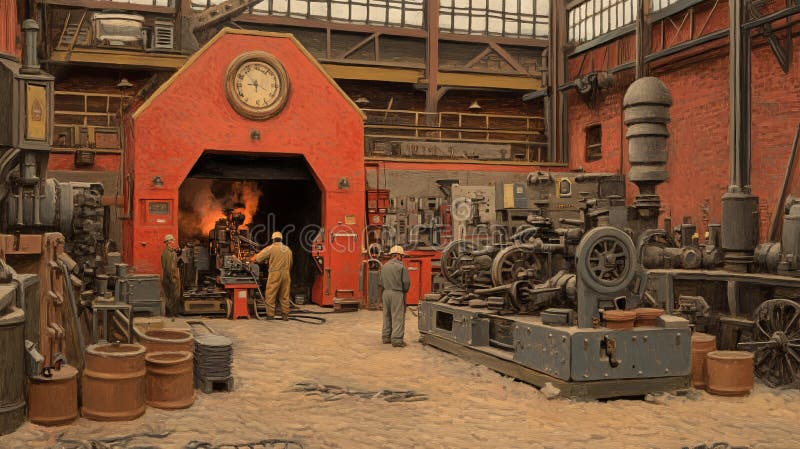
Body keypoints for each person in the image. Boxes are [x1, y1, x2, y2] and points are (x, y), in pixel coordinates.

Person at [250, 231, 293, 320]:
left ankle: (270, 315)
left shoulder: (271, 248)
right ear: (281, 239)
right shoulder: (287, 249)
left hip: (275, 274)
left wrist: (251, 258)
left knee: (270, 294)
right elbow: (291, 263)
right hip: (286, 274)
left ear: (273, 240)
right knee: (284, 295)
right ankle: (285, 315)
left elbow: (258, 258)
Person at [379, 245, 410, 347]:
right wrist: (404, 291)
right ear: (397, 255)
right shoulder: (401, 267)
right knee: (397, 316)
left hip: (386, 293)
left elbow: (380, 282)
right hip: (397, 293)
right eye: (401, 256)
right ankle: (397, 340)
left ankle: (386, 337)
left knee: (386, 315)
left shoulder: (384, 266)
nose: (402, 258)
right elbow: (406, 282)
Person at [161, 234, 181, 317]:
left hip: (167, 278)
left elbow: (166, 266)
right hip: (171, 278)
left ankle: (169, 313)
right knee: (174, 296)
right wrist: (173, 278)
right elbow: (169, 267)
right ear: (169, 242)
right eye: (172, 241)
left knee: (169, 296)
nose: (174, 242)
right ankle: (172, 314)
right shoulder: (170, 253)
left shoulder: (166, 252)